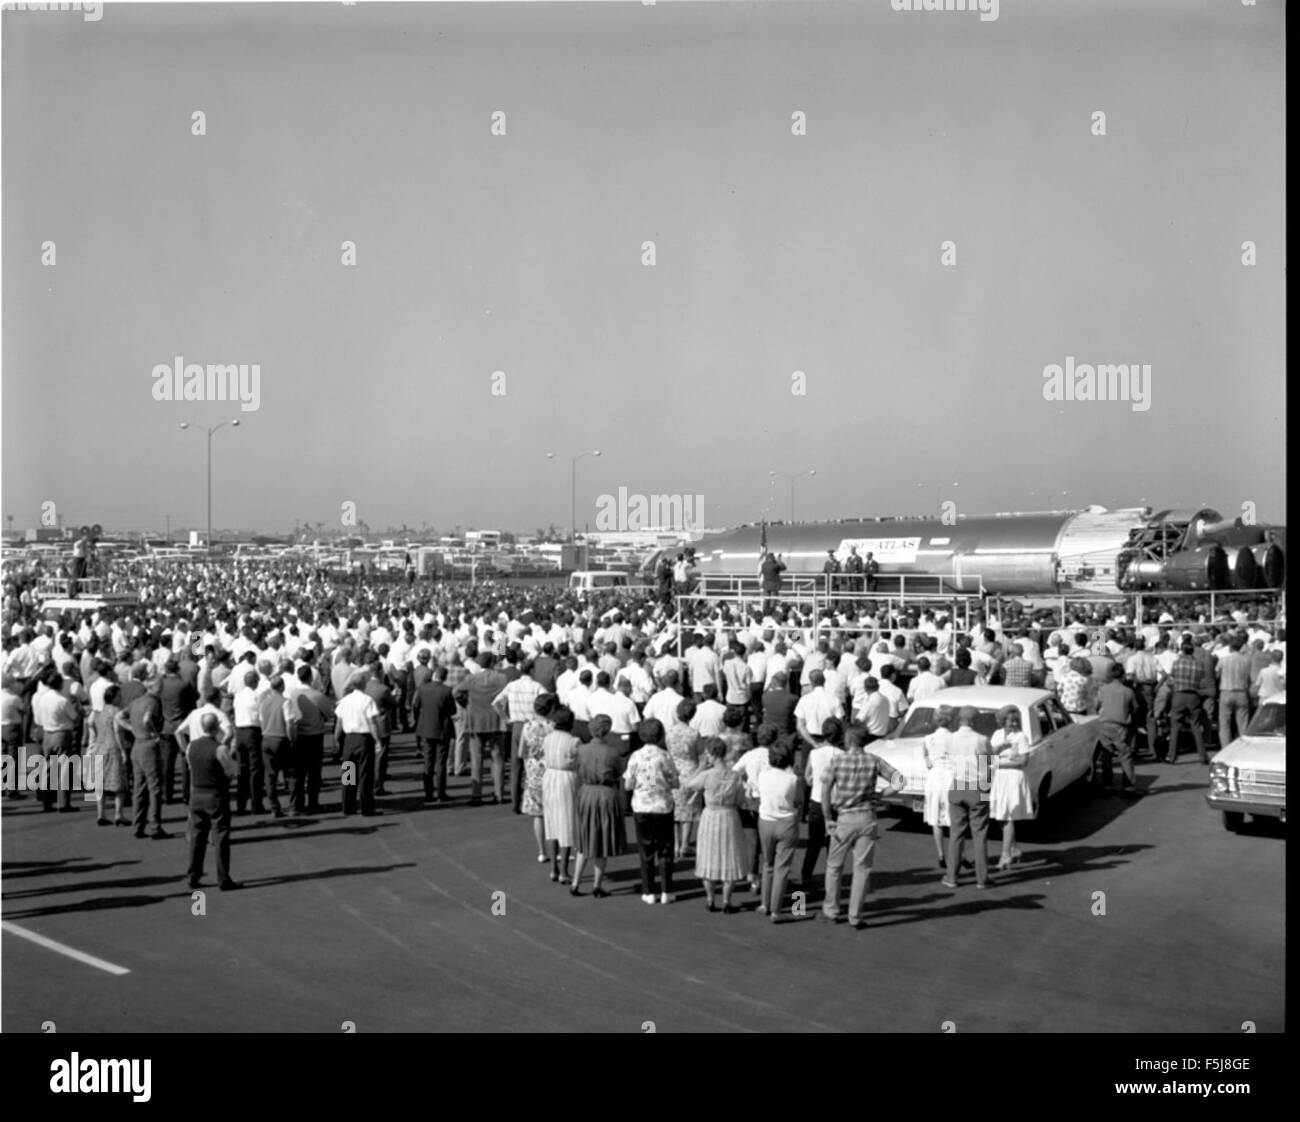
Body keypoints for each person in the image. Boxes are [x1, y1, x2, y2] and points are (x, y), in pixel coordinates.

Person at [820, 723, 906, 929]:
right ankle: (855, 915)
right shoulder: (873, 760)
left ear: (848, 740)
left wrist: (827, 818)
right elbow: (900, 780)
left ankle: (831, 909)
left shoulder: (836, 761)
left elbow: (824, 791)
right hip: (867, 817)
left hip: (844, 819)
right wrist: (880, 795)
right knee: (862, 868)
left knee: (834, 866)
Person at [682, 736, 747, 913]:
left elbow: (688, 784)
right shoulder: (735, 776)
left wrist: (701, 767)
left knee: (708, 857)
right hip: (729, 815)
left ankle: (710, 899)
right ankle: (727, 901)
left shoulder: (706, 775)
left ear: (711, 754)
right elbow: (742, 800)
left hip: (710, 815)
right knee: (730, 856)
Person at [570, 713, 627, 897]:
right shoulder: (612, 752)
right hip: (605, 794)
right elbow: (619, 772)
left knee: (585, 840)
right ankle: (597, 885)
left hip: (586, 793)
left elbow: (576, 769)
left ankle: (576, 883)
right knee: (602, 841)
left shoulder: (581, 750)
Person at [624, 717, 680, 904]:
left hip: (642, 807)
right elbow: (674, 782)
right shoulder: (665, 756)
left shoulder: (635, 757)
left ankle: (648, 891)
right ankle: (667, 890)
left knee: (646, 850)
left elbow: (628, 784)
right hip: (663, 807)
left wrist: (646, 782)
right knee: (665, 850)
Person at [185, 712, 240, 891]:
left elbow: (191, 766)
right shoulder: (219, 748)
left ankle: (193, 874)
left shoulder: (191, 746)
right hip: (215, 795)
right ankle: (223, 878)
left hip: (197, 794)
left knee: (197, 837)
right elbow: (232, 771)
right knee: (221, 837)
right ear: (217, 728)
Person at [943, 706, 994, 889]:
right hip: (978, 787)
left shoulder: (950, 739)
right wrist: (988, 791)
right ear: (973, 721)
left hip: (957, 784)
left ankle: (951, 877)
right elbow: (989, 765)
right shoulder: (981, 739)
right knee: (980, 833)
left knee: (956, 833)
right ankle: (982, 878)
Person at [756, 739, 802, 922]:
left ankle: (764, 904)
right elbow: (799, 800)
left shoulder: (763, 775)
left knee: (767, 864)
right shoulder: (793, 779)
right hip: (786, 823)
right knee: (782, 868)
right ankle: (776, 910)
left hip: (766, 821)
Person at [989, 706, 1034, 870]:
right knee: (1000, 816)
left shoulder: (1021, 737)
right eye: (1010, 721)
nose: (1014, 724)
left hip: (1014, 778)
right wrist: (1000, 748)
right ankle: (1013, 848)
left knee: (1007, 816)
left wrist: (1000, 762)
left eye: (1016, 721)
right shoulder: (996, 735)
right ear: (1002, 722)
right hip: (1000, 779)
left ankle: (1005, 855)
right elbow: (988, 756)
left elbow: (1023, 761)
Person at [800, 716, 844, 884]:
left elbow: (808, 777)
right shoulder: (842, 755)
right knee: (833, 842)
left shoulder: (814, 753)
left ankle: (806, 875)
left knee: (814, 842)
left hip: (817, 801)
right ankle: (831, 876)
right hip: (835, 802)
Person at [541, 707, 581, 884]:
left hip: (549, 777)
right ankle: (564, 871)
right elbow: (579, 762)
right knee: (566, 823)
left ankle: (553, 869)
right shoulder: (574, 741)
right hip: (566, 778)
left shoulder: (548, 738)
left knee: (551, 822)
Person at [335, 669, 383, 816]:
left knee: (348, 774)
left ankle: (348, 806)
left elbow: (339, 722)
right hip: (364, 739)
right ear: (364, 684)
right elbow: (372, 722)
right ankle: (367, 807)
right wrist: (377, 739)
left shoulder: (344, 701)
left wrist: (336, 738)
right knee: (365, 774)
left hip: (349, 739)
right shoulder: (367, 700)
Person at [520, 692, 557, 863]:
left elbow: (521, 752)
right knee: (554, 813)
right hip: (551, 772)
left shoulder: (527, 726)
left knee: (538, 815)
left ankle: (542, 851)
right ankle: (556, 850)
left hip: (533, 772)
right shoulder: (553, 726)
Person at [1096, 663, 1142, 795]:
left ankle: (1107, 785)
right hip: (1120, 727)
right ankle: (1129, 787)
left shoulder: (1103, 690)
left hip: (1104, 725)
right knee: (1125, 756)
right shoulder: (1128, 691)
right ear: (1122, 675)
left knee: (1106, 755)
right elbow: (1135, 708)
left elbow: (1096, 705)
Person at [413, 665, 456, 803]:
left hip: (426, 728)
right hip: (441, 729)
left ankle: (428, 792)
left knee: (428, 762)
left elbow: (415, 705)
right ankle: (440, 792)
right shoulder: (446, 691)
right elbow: (452, 710)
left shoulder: (423, 689)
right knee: (441, 762)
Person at [667, 698, 704, 859]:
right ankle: (684, 845)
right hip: (690, 772)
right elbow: (701, 756)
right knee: (688, 812)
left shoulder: (670, 732)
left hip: (674, 771)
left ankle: (675, 844)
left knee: (675, 811)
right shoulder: (694, 734)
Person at [88, 683, 128, 826]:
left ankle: (101, 814)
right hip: (113, 747)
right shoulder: (117, 712)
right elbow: (117, 731)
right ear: (115, 697)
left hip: (100, 746)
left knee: (101, 783)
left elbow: (91, 724)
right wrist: (123, 750)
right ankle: (119, 815)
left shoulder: (99, 712)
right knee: (118, 783)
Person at [922, 704, 956, 868]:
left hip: (934, 777)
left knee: (936, 818)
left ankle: (941, 854)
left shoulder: (928, 739)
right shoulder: (954, 738)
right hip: (950, 776)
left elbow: (927, 762)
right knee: (954, 817)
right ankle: (958, 853)